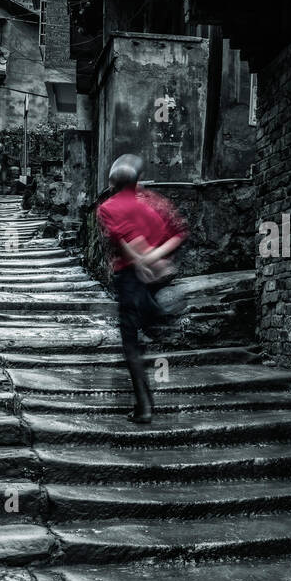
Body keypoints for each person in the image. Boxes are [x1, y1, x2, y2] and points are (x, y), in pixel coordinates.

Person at [96, 154, 187, 423]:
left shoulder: (109, 207)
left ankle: (144, 407)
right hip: (156, 277)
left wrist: (143, 261)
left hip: (130, 278)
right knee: (144, 325)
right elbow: (179, 233)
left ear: (113, 179)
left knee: (130, 344)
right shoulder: (154, 202)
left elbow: (128, 242)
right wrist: (158, 260)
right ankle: (156, 315)